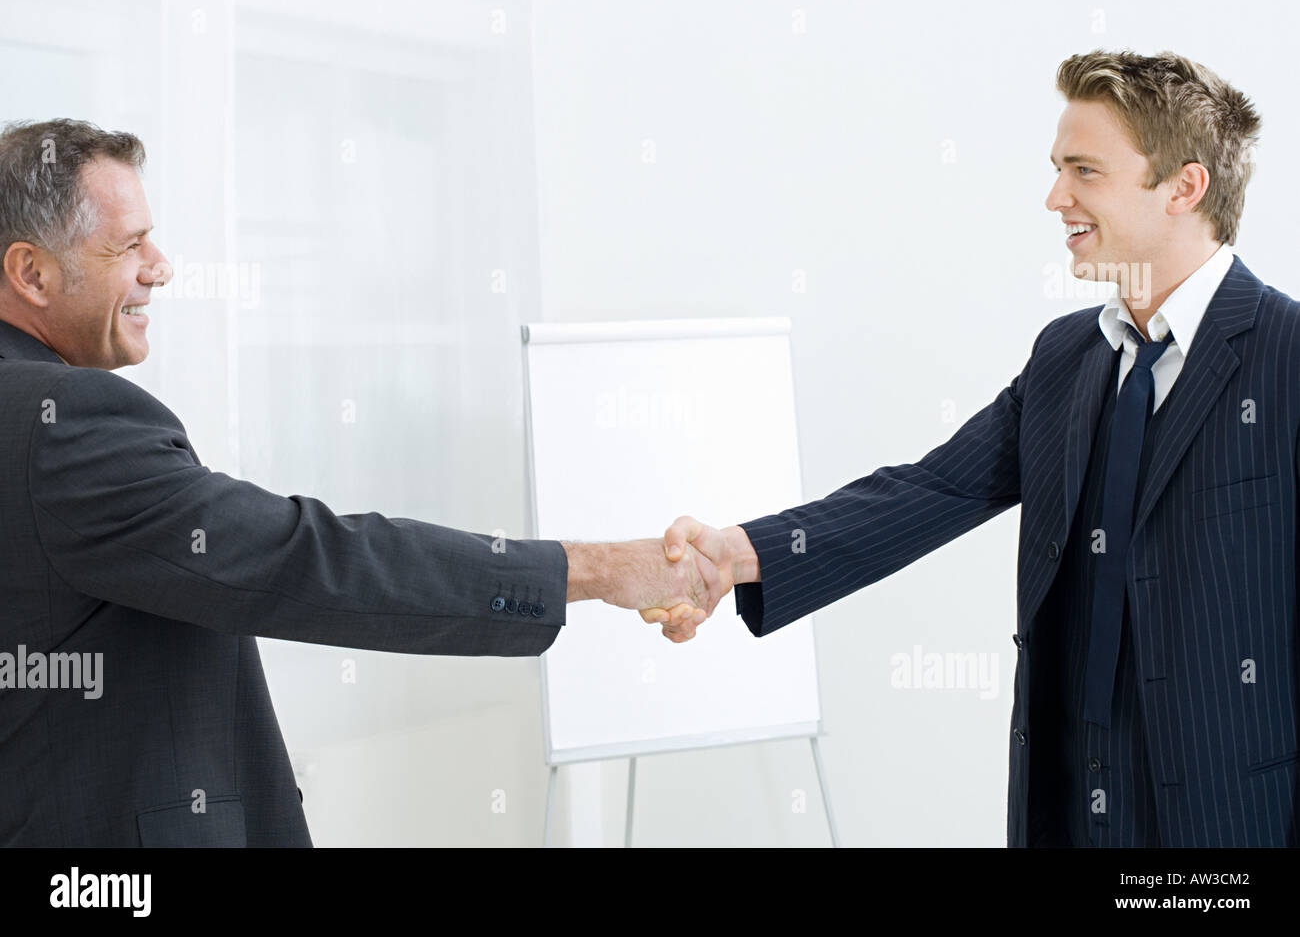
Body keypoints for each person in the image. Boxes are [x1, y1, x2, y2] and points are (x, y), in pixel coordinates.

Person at [0, 118, 719, 846]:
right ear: (31, 273)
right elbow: (304, 559)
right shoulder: (63, 426)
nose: (161, 265)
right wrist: (595, 569)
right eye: (129, 245)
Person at [649, 49, 1299, 847]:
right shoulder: (1067, 356)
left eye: (1084, 171)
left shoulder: (1288, 354)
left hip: (1232, 822)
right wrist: (737, 554)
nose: (1055, 197)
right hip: (1064, 807)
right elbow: (930, 492)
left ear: (1183, 187)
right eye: (1058, 169)